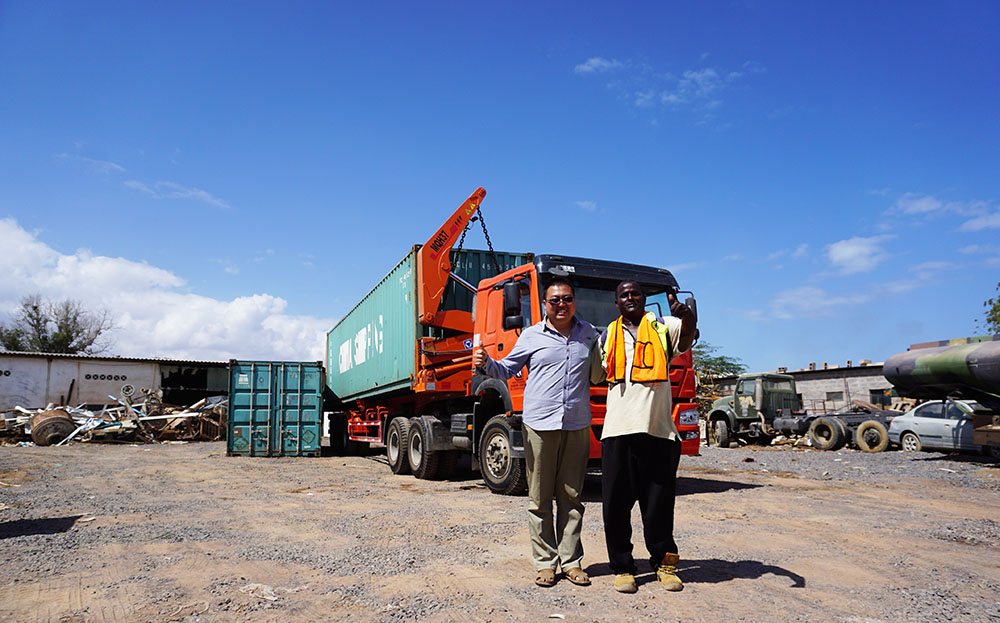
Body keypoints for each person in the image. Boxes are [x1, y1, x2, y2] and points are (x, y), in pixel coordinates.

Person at [472, 277, 603, 588]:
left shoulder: (589, 334)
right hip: (540, 424)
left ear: (574, 302)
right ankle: (545, 563)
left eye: (567, 299)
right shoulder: (532, 336)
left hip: (576, 423)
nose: (561, 305)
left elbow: (599, 374)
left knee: (571, 497)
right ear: (545, 304)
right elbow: (506, 369)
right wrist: (487, 363)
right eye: (555, 300)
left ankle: (571, 562)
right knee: (540, 497)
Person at [598, 280, 697, 594]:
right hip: (617, 430)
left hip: (658, 431)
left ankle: (665, 565)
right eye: (624, 294)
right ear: (617, 303)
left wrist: (687, 315)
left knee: (659, 506)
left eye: (635, 293)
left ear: (643, 299)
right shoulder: (606, 336)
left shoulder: (665, 327)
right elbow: (595, 374)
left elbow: (688, 334)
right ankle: (623, 568)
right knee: (615, 506)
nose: (630, 297)